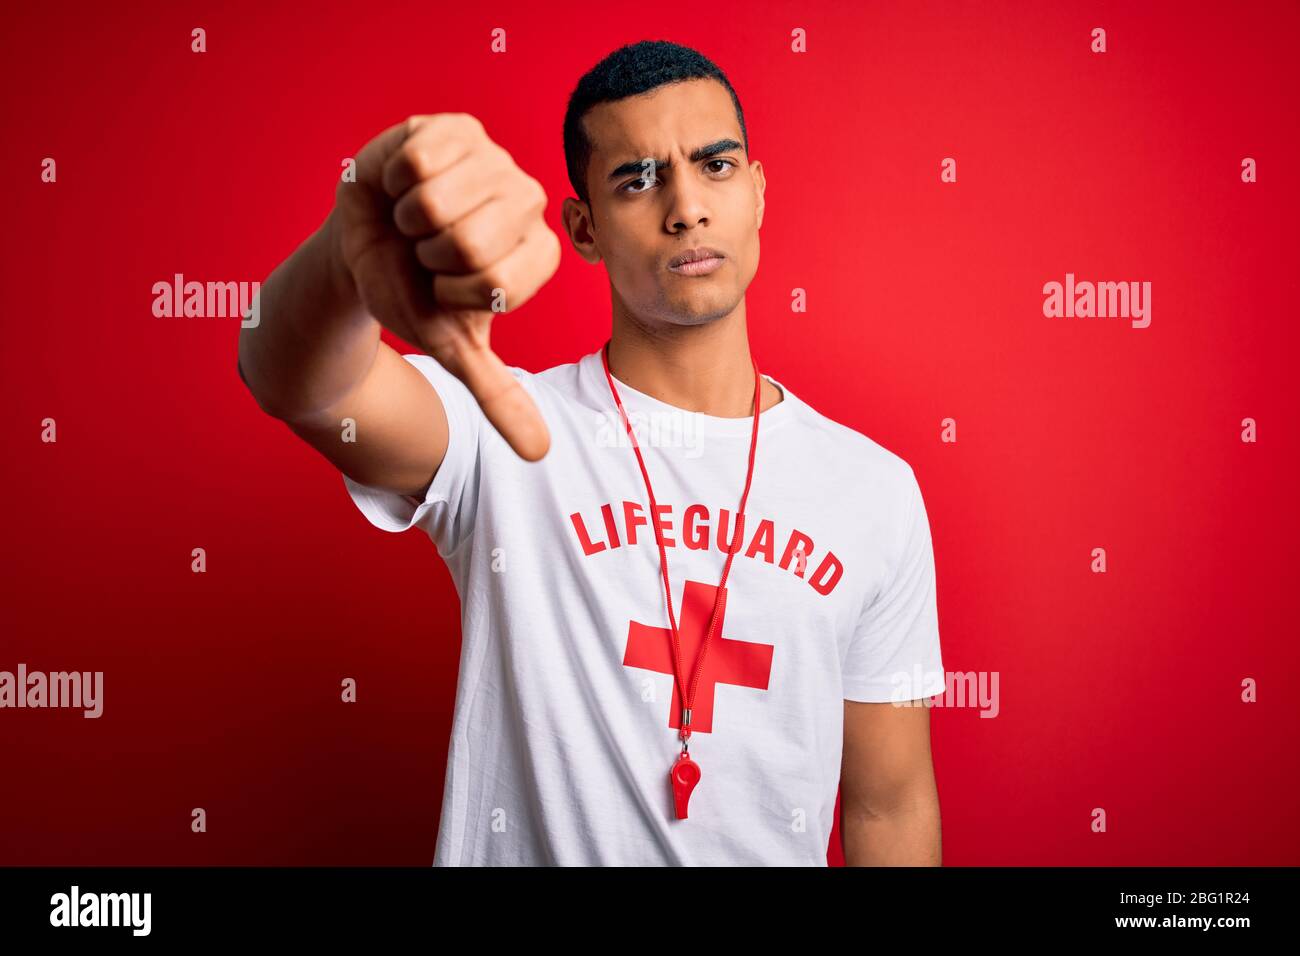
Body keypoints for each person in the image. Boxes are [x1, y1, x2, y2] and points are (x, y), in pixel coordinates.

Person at [238, 39, 946, 866]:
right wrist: (343, 258)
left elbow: (887, 811)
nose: (685, 207)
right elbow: (296, 382)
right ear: (585, 228)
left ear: (755, 193)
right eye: (637, 179)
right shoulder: (503, 427)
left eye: (715, 166)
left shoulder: (873, 490)